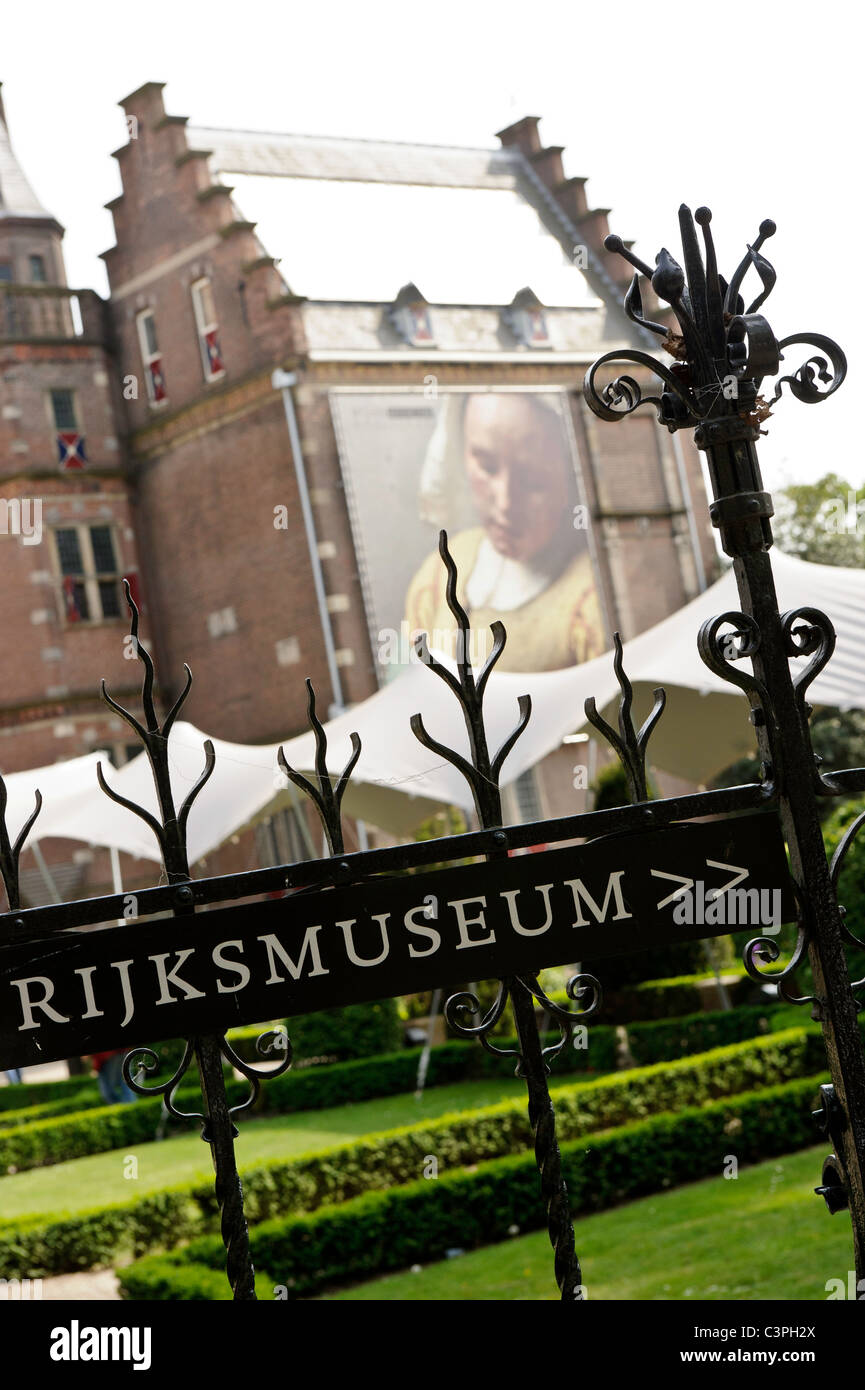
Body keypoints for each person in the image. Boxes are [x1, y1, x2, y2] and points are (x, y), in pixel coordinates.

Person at [404, 392, 605, 672]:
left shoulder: (592, 601)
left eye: (532, 479)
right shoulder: (444, 568)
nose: (505, 502)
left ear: (570, 476)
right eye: (486, 467)